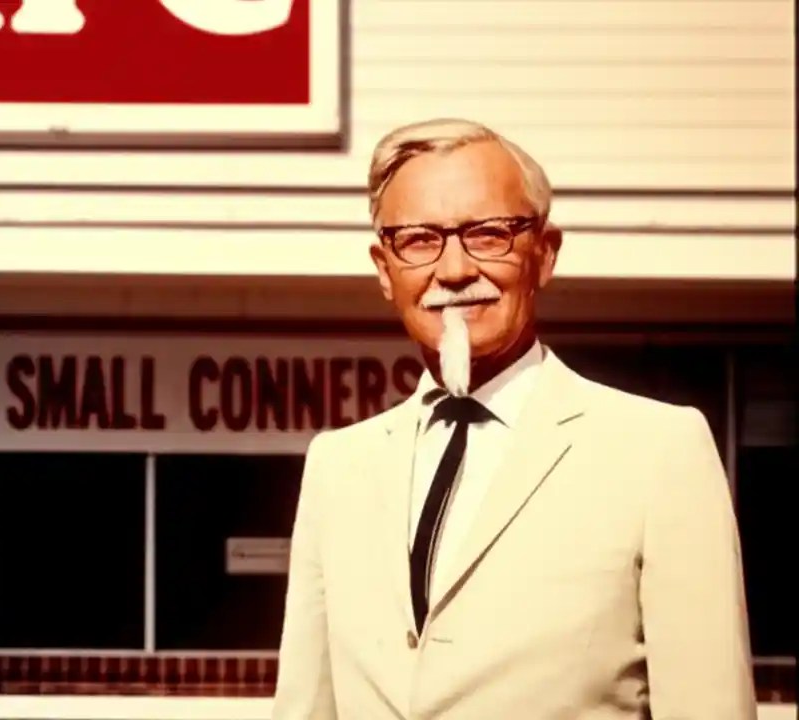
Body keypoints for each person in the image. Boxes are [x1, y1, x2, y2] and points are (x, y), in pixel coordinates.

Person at [271, 118, 757, 719]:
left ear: (544, 253)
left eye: (488, 234)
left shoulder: (658, 452)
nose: (452, 271)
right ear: (383, 267)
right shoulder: (337, 466)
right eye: (419, 239)